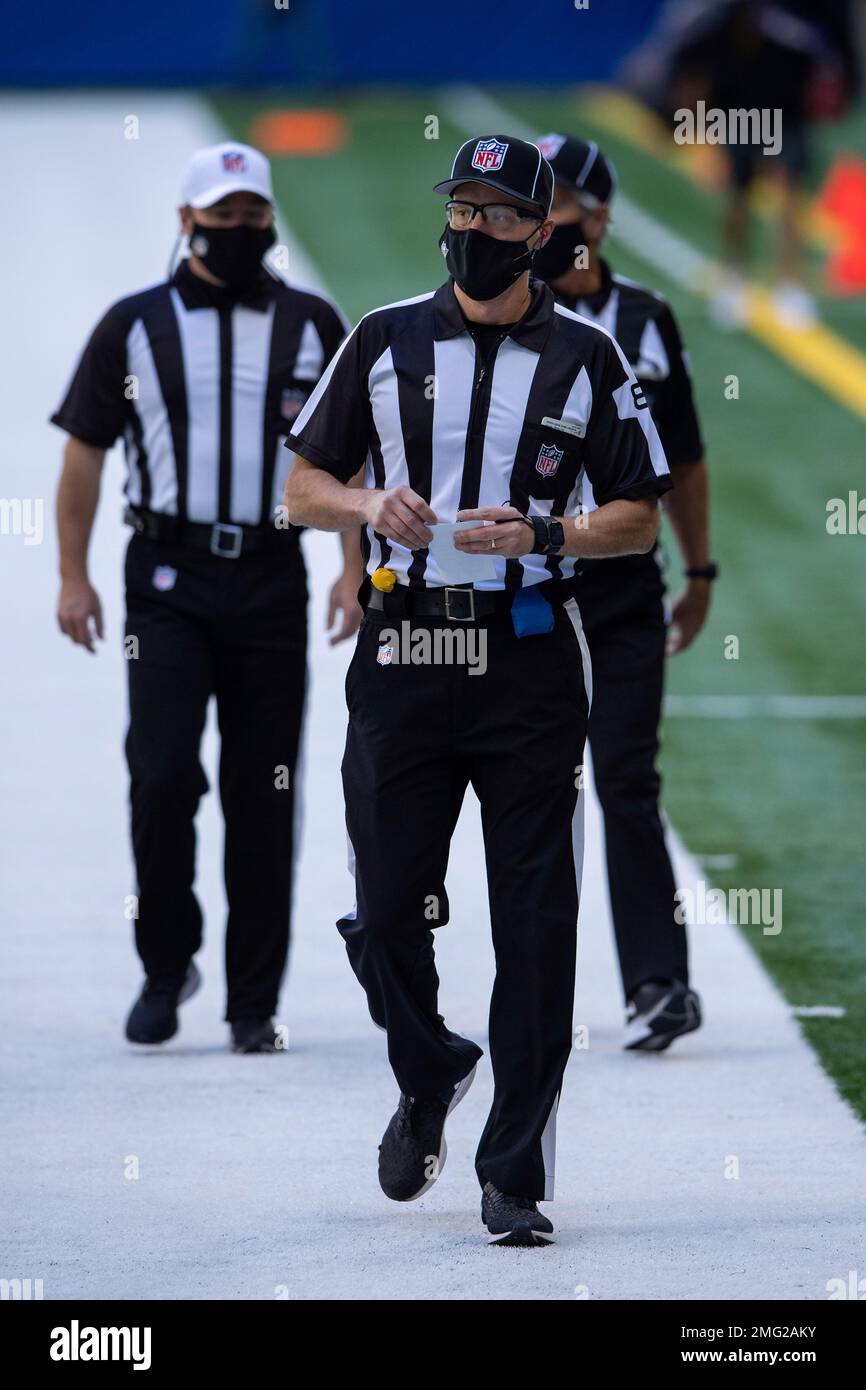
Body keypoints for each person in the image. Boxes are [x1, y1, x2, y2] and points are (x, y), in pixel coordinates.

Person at [283, 134, 672, 1245]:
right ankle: (428, 1063)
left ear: (543, 233)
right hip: (404, 646)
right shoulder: (382, 338)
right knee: (384, 901)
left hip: (530, 652)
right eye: (461, 206)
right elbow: (301, 483)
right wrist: (366, 510)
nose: (474, 230)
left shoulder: (590, 358)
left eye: (500, 215)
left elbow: (635, 510)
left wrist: (547, 528)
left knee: (535, 919)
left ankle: (512, 1173)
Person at [52, 142, 362, 1053]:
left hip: (269, 575)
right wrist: (71, 575)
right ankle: (165, 960)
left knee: (264, 792)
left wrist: (351, 564)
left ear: (268, 219)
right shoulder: (132, 326)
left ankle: (252, 999)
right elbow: (83, 453)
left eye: (251, 216)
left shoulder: (312, 322)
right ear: (186, 221)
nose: (237, 230)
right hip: (165, 580)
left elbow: (347, 455)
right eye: (220, 216)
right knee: (160, 777)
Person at [533, 132, 714, 1051]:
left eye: (560, 202)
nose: (545, 220)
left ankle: (657, 982)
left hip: (620, 587)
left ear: (601, 217)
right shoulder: (495, 315)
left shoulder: (644, 319)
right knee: (520, 789)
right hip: (520, 593)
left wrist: (703, 568)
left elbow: (683, 455)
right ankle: (509, 982)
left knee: (625, 780)